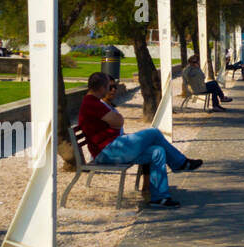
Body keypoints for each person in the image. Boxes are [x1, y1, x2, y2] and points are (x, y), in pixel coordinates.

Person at [78, 71, 201, 209]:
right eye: (108, 86)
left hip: (114, 147)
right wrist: (115, 120)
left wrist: (114, 120)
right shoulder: (92, 103)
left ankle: (159, 198)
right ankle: (180, 163)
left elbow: (116, 122)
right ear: (101, 88)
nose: (110, 89)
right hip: (108, 151)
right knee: (153, 132)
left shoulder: (93, 102)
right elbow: (119, 122)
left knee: (158, 151)